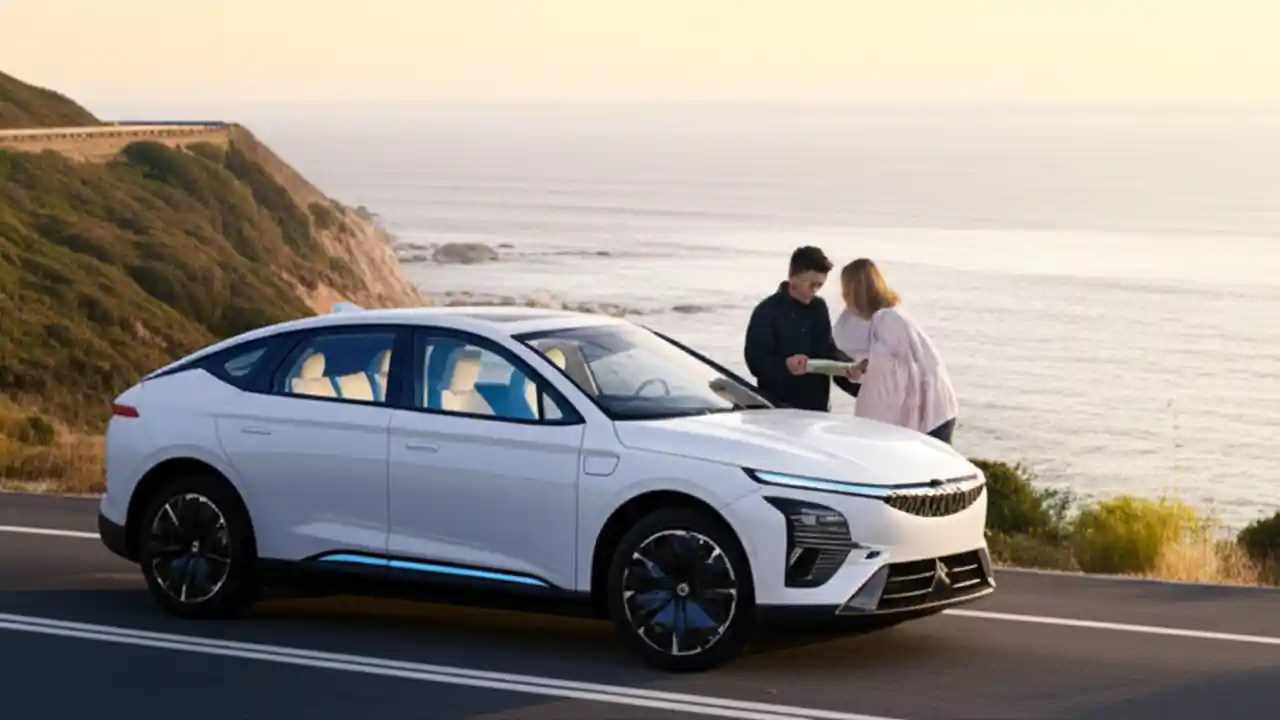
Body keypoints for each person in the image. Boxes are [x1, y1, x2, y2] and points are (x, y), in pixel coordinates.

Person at [834, 258, 959, 443]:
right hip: (935, 408)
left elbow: (885, 375)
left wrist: (861, 370)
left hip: (931, 413)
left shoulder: (887, 320)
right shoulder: (889, 317)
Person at [744, 246, 860, 411]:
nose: (814, 291)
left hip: (817, 410)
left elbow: (828, 351)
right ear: (793, 278)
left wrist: (848, 367)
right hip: (777, 410)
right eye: (811, 284)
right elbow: (756, 363)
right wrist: (786, 366)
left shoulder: (819, 308)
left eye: (819, 286)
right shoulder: (766, 311)